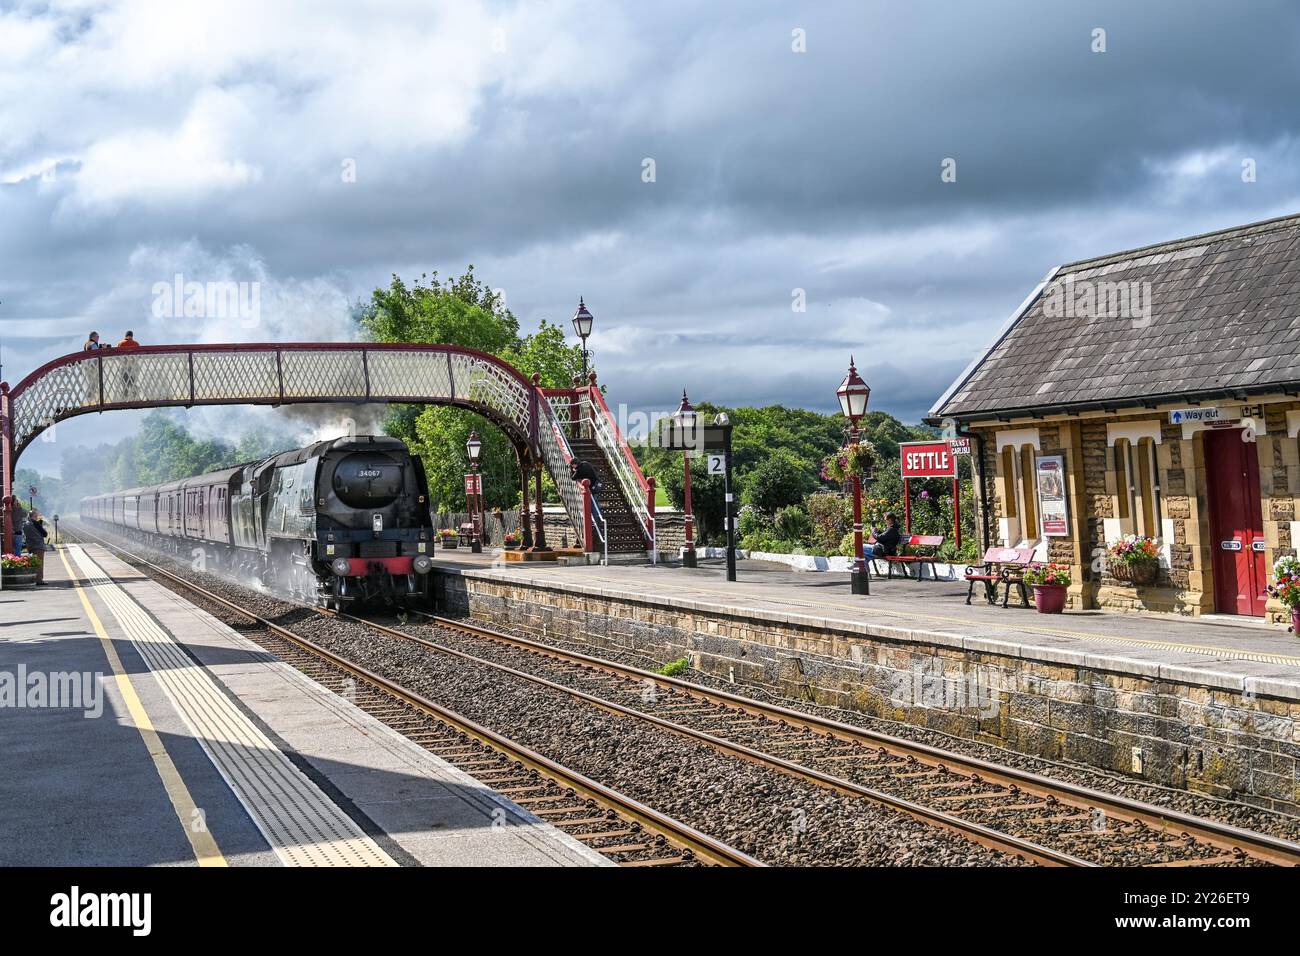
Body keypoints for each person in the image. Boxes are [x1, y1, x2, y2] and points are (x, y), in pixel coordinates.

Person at [569, 458, 604, 525]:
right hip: (596, 485)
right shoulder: (586, 463)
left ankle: (596, 521)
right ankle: (600, 516)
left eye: (572, 465)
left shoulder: (579, 470)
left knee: (592, 505)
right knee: (596, 502)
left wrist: (573, 471)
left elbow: (573, 478)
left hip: (590, 489)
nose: (572, 467)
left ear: (574, 465)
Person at [22, 510, 48, 584]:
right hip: (38, 546)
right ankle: (39, 580)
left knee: (34, 563)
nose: (37, 517)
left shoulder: (25, 524)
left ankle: (34, 578)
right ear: (33, 516)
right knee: (39, 563)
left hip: (30, 546)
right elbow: (44, 534)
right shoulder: (36, 523)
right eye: (36, 515)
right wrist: (40, 525)